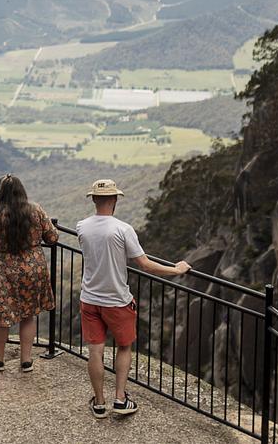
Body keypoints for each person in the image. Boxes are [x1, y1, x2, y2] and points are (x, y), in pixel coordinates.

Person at [77, 178, 191, 419]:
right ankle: (120, 399)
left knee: (95, 351)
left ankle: (99, 403)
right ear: (115, 200)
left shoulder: (81, 226)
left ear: (94, 199)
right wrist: (176, 270)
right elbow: (145, 264)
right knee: (124, 347)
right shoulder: (123, 229)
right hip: (117, 300)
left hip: (89, 298)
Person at [0, 174, 56, 372]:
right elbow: (52, 237)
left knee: (1, 316)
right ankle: (26, 360)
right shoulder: (35, 209)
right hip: (32, 269)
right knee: (28, 315)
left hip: (4, 270)